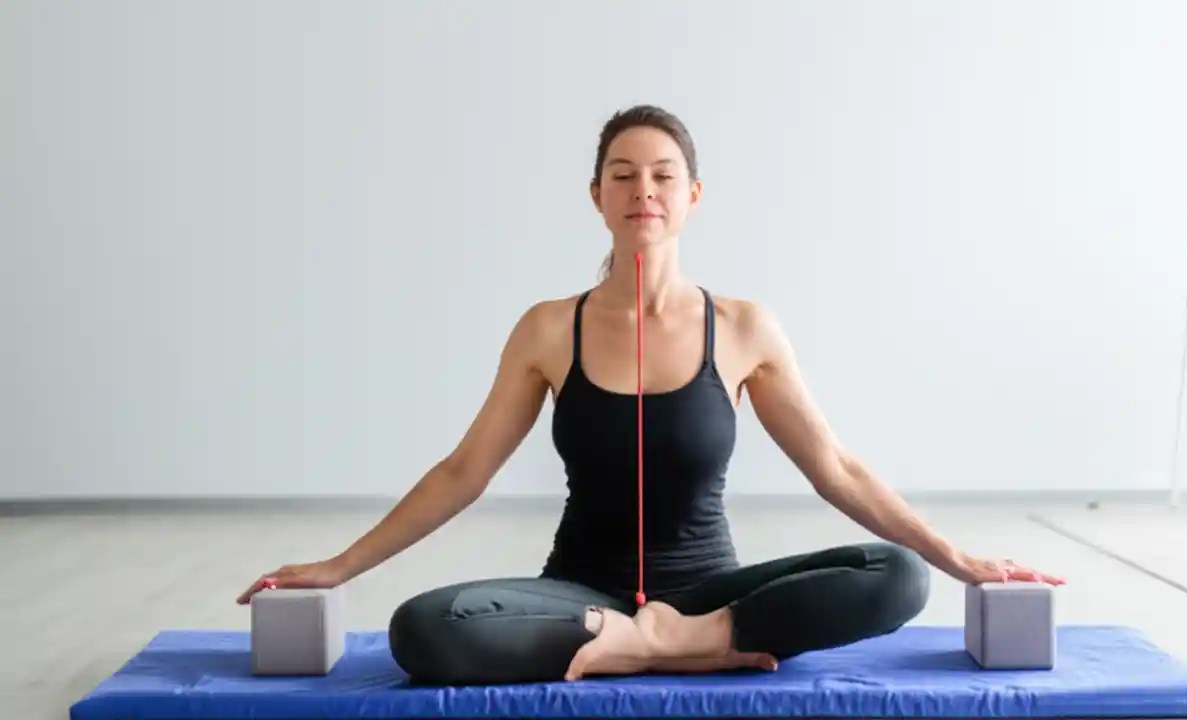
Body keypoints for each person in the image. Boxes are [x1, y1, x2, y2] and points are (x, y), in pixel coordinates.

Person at [236, 105, 1065, 685]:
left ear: (692, 196)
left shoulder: (743, 327)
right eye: (623, 176)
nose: (644, 192)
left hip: (713, 591)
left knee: (898, 577)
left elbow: (836, 470)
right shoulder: (547, 329)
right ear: (596, 195)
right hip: (578, 597)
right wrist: (338, 566)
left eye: (664, 176)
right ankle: (641, 641)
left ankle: (681, 638)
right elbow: (463, 473)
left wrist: (955, 558)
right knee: (423, 629)